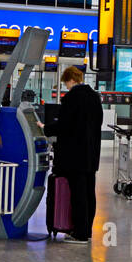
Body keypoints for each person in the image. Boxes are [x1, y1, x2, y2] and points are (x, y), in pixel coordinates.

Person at [52, 66, 102, 245]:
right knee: (89, 193)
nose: (66, 86)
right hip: (92, 155)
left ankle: (80, 234)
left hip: (75, 156)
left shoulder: (72, 97)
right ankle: (87, 230)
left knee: (78, 194)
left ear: (70, 80)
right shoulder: (95, 97)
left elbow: (64, 125)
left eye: (65, 83)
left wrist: (47, 128)